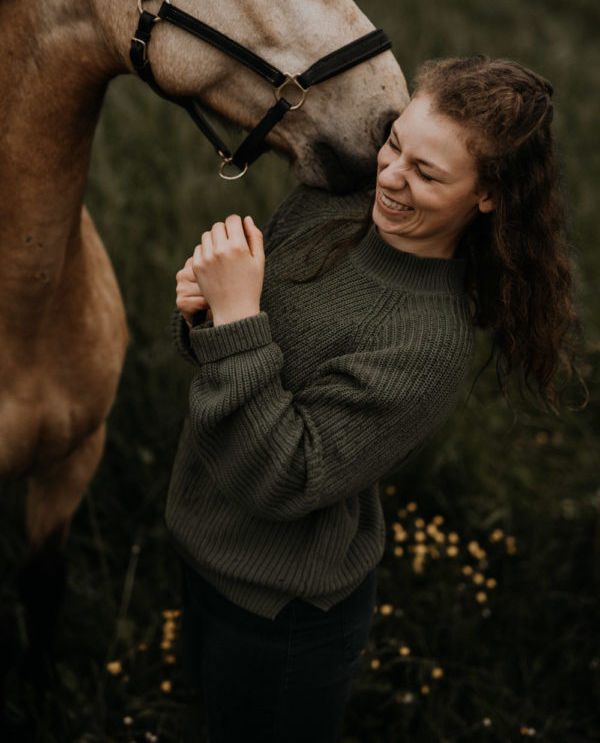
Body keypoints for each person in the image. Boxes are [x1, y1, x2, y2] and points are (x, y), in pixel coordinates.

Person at [166, 55, 582, 743]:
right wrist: (205, 315)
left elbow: (285, 477)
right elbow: (227, 360)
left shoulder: (428, 343)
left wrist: (237, 322)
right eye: (395, 144)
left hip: (283, 616)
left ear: (487, 197)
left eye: (427, 174)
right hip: (198, 547)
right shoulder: (329, 205)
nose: (389, 176)